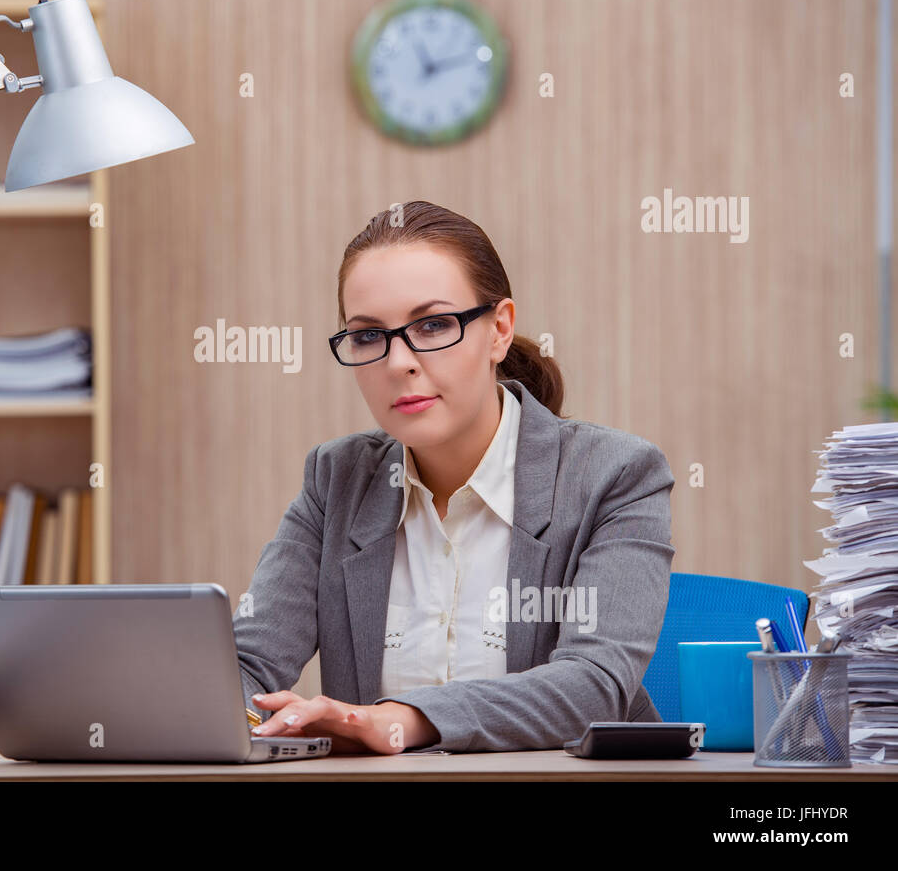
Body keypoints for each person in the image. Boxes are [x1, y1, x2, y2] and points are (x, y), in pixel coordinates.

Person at [234, 200, 675, 754]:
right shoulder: (336, 479)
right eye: (368, 336)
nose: (399, 362)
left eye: (434, 325)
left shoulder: (615, 473)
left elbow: (593, 686)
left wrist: (399, 720)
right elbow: (250, 664)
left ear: (499, 331)